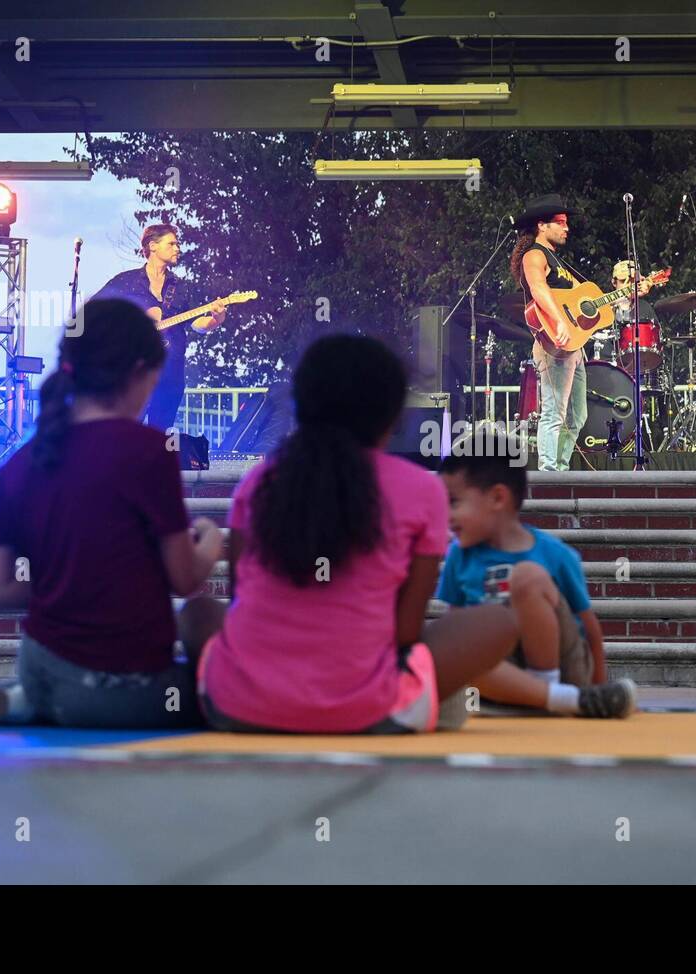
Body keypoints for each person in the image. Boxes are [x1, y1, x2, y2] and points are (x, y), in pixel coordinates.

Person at [0, 299, 226, 727]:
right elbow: (183, 577)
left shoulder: (20, 463)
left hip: (42, 667)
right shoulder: (149, 453)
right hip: (124, 684)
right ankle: (33, 702)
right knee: (208, 641)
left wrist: (67, 583)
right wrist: (210, 542)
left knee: (61, 688)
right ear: (139, 371)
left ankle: (17, 699)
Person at [197, 334, 522, 734]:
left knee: (199, 613)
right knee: (498, 623)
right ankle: (428, 701)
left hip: (239, 705)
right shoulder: (423, 491)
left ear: (302, 404)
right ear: (391, 414)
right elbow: (404, 632)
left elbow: (239, 600)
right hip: (365, 709)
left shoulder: (259, 482)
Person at [435, 440, 638, 718]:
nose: (446, 516)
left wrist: (599, 689)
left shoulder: (554, 554)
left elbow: (589, 627)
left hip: (564, 669)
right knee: (454, 644)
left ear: (497, 498)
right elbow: (456, 630)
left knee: (527, 577)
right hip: (500, 671)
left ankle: (552, 692)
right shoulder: (459, 556)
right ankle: (551, 699)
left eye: (454, 502)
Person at [92, 223, 227, 430]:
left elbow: (197, 325)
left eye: (178, 244)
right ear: (153, 246)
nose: (177, 248)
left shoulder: (181, 287)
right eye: (171, 243)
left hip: (170, 372)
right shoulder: (126, 282)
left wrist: (215, 320)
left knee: (159, 434)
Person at [510, 194, 587, 471]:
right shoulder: (535, 255)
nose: (567, 228)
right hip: (554, 342)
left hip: (573, 346)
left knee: (577, 416)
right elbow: (539, 288)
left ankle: (561, 470)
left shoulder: (560, 264)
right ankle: (548, 474)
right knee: (554, 413)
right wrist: (559, 322)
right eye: (561, 223)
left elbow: (588, 298)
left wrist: (629, 292)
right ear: (542, 226)